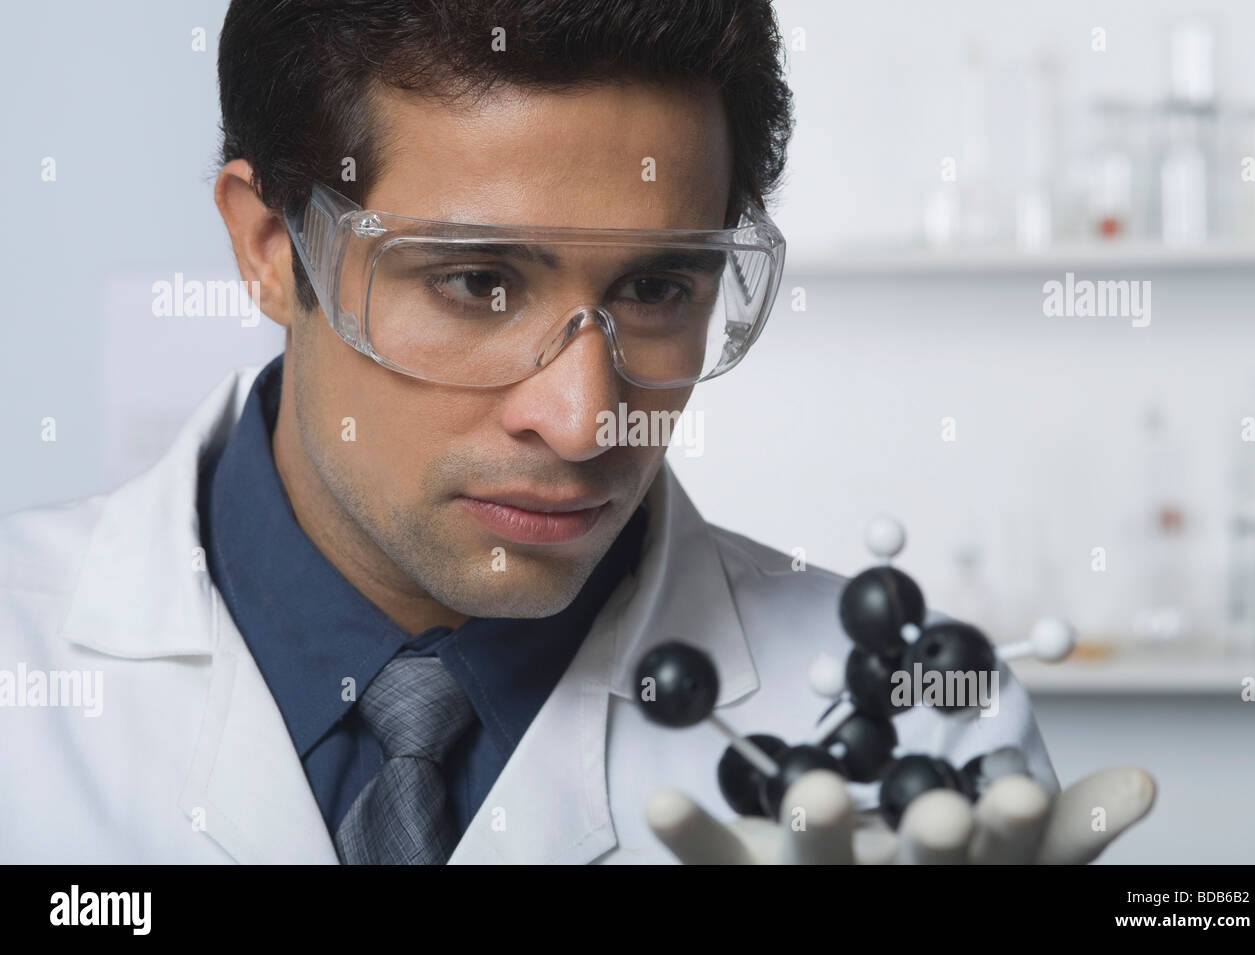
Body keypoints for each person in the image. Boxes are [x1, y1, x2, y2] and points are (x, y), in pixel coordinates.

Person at [0, 0, 1145, 865]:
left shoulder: (894, 721)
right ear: (266, 247)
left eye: (657, 288)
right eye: (477, 282)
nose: (586, 414)